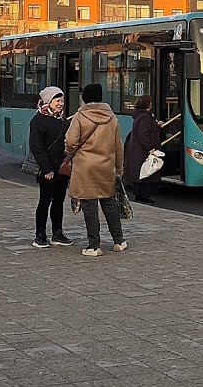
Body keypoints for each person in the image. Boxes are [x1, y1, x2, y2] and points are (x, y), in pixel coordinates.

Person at [65, 83, 126, 257]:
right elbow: (118, 146)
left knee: (89, 206)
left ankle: (94, 245)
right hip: (106, 166)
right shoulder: (112, 117)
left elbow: (71, 142)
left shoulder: (79, 116)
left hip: (85, 167)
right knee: (109, 204)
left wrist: (70, 153)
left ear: (85, 97)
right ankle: (119, 241)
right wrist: (119, 168)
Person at [29, 86, 73, 248]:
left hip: (61, 168)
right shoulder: (39, 120)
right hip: (47, 170)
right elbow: (36, 147)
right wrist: (46, 169)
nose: (60, 104)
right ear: (48, 101)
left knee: (59, 201)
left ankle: (58, 233)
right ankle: (40, 235)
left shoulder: (62, 119)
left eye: (62, 101)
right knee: (44, 201)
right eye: (57, 100)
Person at [123, 95, 162, 205]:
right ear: (147, 104)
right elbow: (144, 134)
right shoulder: (145, 117)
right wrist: (150, 148)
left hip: (138, 150)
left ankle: (140, 196)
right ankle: (142, 196)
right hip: (143, 151)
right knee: (145, 172)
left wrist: (156, 126)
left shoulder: (140, 116)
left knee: (141, 172)